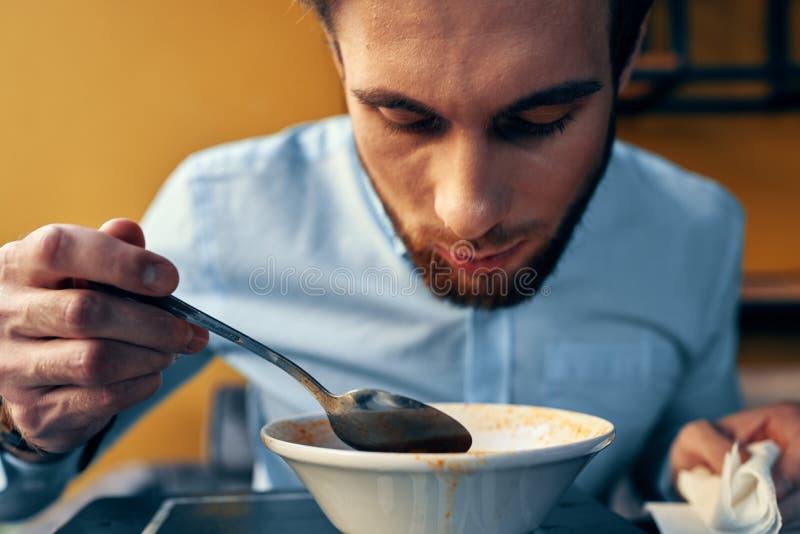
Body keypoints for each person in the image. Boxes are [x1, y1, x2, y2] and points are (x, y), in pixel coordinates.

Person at [0, 0, 797, 522]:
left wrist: (736, 464)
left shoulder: (696, 230)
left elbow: (681, 463)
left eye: (542, 119)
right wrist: (20, 422)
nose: (467, 212)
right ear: (339, 61)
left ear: (628, 64)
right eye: (403, 118)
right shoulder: (222, 209)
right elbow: (20, 493)